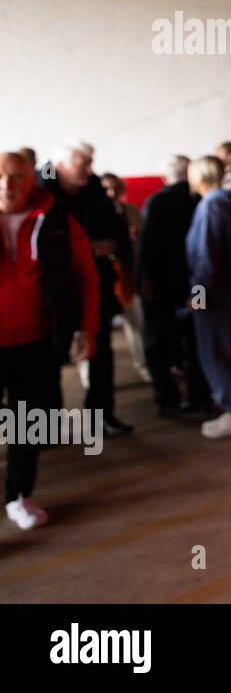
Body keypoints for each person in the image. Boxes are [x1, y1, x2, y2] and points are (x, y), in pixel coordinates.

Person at [0, 151, 99, 529]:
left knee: (28, 424)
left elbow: (86, 275)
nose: (8, 184)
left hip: (36, 341)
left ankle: (19, 497)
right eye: (2, 177)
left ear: (32, 180)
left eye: (16, 177)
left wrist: (87, 327)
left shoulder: (57, 219)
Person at [39, 139, 133, 436]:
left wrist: (114, 245)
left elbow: (119, 233)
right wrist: (81, 250)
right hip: (52, 290)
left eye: (90, 164)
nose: (89, 170)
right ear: (61, 166)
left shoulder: (93, 189)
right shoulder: (41, 192)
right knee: (48, 358)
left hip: (95, 284)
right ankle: (47, 423)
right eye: (83, 165)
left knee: (101, 353)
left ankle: (101, 417)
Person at [138, 156, 210, 416]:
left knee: (157, 341)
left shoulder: (157, 201)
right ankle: (199, 395)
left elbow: (147, 246)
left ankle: (166, 398)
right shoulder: (199, 200)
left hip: (161, 285)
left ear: (164, 176)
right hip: (197, 284)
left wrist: (146, 280)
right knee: (195, 337)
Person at [186, 156, 231, 439]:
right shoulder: (227, 200)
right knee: (226, 349)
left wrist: (197, 295)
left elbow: (206, 258)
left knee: (216, 352)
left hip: (214, 295)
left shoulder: (211, 205)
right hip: (227, 291)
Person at [101, 173, 148, 378]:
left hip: (129, 273)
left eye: (115, 188)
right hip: (106, 276)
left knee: (137, 321)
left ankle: (143, 363)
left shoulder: (132, 211)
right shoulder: (95, 213)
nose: (111, 193)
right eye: (106, 189)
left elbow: (145, 244)